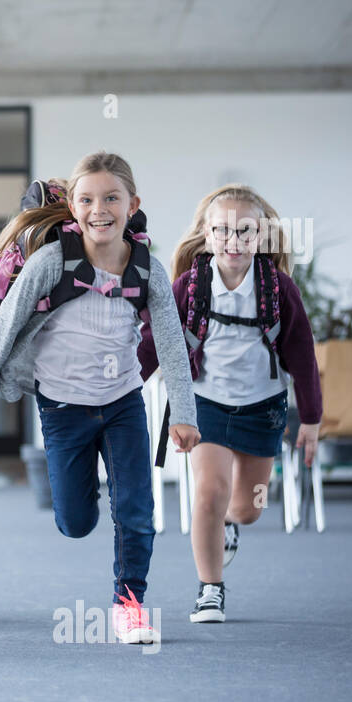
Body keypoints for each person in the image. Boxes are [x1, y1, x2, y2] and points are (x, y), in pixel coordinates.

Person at [0, 152, 199, 644]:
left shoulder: (147, 269)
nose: (99, 209)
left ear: (133, 205)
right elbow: (4, 326)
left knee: (136, 507)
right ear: (74, 209)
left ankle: (129, 606)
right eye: (86, 199)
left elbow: (171, 341)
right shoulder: (52, 262)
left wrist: (184, 414)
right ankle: (95, 491)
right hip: (62, 408)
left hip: (123, 401)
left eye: (111, 198)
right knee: (76, 522)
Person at [139, 185, 321, 623]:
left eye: (244, 231)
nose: (233, 241)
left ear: (261, 236)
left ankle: (231, 525)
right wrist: (118, 390)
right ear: (206, 234)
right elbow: (153, 344)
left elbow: (302, 354)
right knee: (210, 493)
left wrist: (311, 419)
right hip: (204, 403)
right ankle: (210, 589)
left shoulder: (279, 290)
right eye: (222, 231)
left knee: (247, 508)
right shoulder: (188, 286)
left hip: (263, 407)